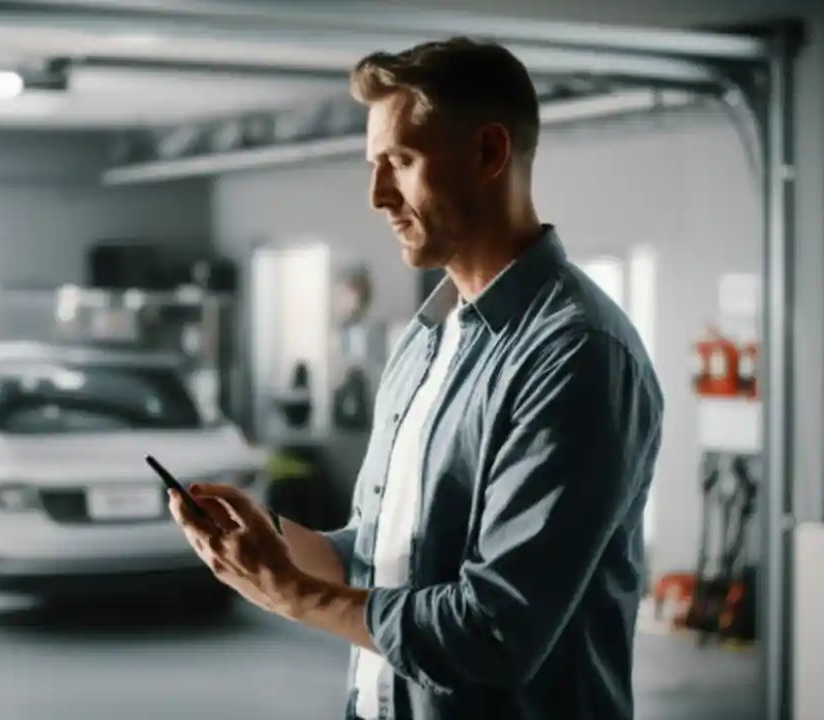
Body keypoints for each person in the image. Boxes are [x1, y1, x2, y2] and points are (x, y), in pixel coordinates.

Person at [168, 36, 663, 720]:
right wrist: (266, 547)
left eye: (400, 161)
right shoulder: (428, 340)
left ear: (490, 154)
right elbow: (375, 559)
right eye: (374, 164)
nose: (376, 195)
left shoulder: (578, 353)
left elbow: (494, 630)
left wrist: (291, 594)